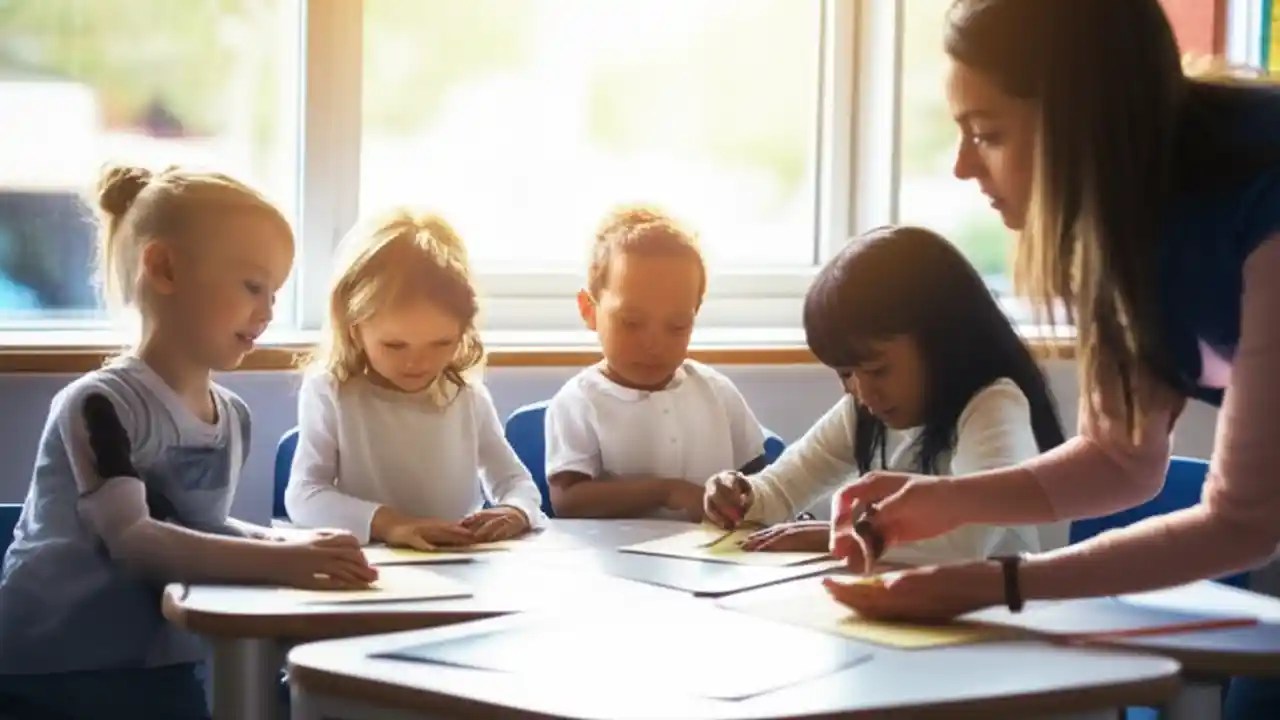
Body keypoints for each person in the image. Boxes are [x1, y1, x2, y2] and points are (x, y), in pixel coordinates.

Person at [824, 0, 1280, 659]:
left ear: (1084, 124)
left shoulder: (1262, 207)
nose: (962, 166)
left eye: (987, 133)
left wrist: (1002, 584)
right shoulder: (1126, 227)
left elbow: (1242, 526)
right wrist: (951, 500)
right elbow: (1120, 458)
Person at [0, 165, 375, 719]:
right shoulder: (101, 405)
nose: (269, 311)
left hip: (157, 663)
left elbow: (198, 527)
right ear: (165, 267)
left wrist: (286, 542)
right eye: (253, 286)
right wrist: (282, 563)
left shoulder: (233, 417)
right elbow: (135, 540)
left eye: (275, 293)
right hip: (57, 669)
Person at [704, 225, 1065, 567]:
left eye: (878, 371)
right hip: (907, 610)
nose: (863, 393)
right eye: (846, 374)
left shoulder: (992, 405)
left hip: (1000, 618)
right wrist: (740, 496)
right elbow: (780, 490)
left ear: (940, 343)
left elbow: (967, 540)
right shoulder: (864, 410)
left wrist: (834, 537)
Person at [286, 209, 545, 548]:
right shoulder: (332, 392)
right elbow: (304, 495)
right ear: (355, 329)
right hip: (375, 565)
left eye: (442, 343)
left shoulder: (465, 396)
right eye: (395, 345)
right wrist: (391, 524)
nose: (417, 362)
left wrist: (516, 510)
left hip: (460, 562)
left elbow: (514, 481)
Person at [545, 206, 768, 521]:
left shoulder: (717, 392)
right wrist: (667, 491)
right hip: (617, 562)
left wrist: (740, 492)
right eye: (632, 322)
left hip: (711, 563)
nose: (654, 344)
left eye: (677, 326)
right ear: (589, 310)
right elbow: (568, 500)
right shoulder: (579, 401)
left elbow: (764, 479)